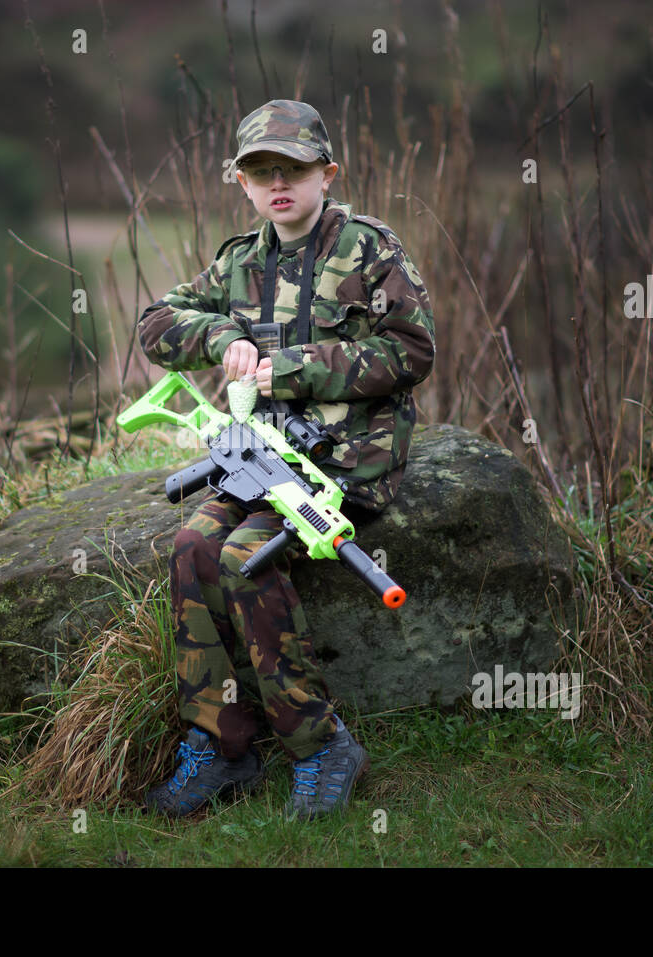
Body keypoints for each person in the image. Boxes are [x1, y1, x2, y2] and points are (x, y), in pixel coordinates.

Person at [136, 98, 435, 820]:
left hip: (343, 466)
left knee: (245, 554)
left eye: (294, 169)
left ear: (325, 174)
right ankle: (222, 742)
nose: (279, 183)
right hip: (260, 457)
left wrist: (297, 366)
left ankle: (320, 741)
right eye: (260, 171)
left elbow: (412, 351)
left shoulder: (370, 250)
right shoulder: (240, 262)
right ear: (239, 182)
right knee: (189, 546)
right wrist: (217, 339)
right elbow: (155, 323)